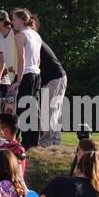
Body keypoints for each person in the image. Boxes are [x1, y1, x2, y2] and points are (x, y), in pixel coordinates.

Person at [32, 15, 67, 148]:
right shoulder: (34, 39)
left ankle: (47, 141)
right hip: (55, 78)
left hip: (55, 77)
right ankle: (55, 142)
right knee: (54, 110)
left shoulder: (34, 40)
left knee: (50, 110)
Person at [10, 8, 43, 149]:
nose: (12, 22)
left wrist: (18, 80)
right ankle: (34, 140)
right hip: (36, 74)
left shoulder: (20, 36)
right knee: (33, 108)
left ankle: (27, 141)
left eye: (14, 19)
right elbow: (39, 60)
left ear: (21, 20)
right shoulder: (36, 35)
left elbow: (22, 60)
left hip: (27, 74)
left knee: (24, 108)